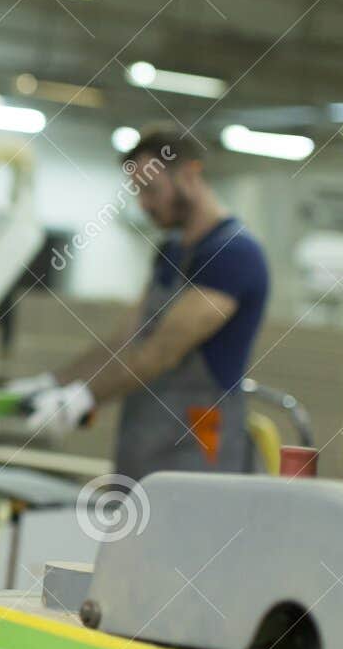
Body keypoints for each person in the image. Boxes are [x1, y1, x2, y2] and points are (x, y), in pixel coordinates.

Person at [17, 131, 269, 480]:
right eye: (137, 191)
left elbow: (160, 352)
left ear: (189, 176)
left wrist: (83, 398)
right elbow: (125, 339)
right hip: (148, 441)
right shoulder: (171, 251)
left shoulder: (234, 255)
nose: (144, 204)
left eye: (151, 191)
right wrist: (55, 382)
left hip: (198, 447)